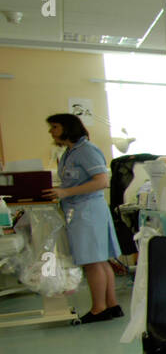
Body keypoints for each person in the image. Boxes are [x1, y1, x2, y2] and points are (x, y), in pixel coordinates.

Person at [44, 114, 122, 323]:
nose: (51, 131)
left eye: (55, 127)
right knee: (99, 260)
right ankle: (111, 305)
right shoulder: (70, 152)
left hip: (87, 210)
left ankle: (99, 309)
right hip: (82, 210)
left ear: (68, 128)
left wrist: (65, 192)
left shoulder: (86, 150)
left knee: (92, 262)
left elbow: (102, 181)